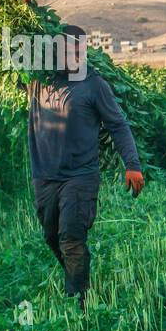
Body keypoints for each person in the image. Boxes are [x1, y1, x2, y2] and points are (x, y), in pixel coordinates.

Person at [27, 26, 144, 308]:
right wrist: (27, 17)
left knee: (71, 236)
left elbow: (118, 125)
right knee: (52, 236)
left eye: (81, 49)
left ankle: (78, 301)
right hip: (45, 174)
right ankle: (77, 276)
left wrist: (133, 165)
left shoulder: (94, 84)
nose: (77, 55)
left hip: (81, 175)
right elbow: (14, 54)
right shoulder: (37, 81)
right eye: (71, 50)